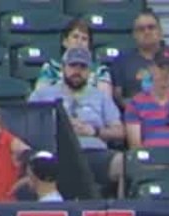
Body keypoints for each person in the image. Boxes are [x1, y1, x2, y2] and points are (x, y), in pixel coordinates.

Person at [30, 47, 125, 193]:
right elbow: (29, 125)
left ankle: (118, 212)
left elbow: (120, 131)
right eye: (73, 65)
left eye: (82, 67)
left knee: (124, 164)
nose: (77, 71)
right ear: (63, 68)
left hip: (93, 152)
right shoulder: (43, 94)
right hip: (56, 153)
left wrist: (95, 131)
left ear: (89, 71)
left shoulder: (100, 97)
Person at [110, 10, 169, 108]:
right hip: (133, 119)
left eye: (151, 27)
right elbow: (117, 98)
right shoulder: (121, 62)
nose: (147, 32)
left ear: (160, 31)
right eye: (141, 29)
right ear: (134, 34)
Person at [34, 17, 113, 99]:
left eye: (84, 39)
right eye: (75, 37)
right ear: (65, 41)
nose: (79, 42)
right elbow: (40, 100)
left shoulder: (100, 71)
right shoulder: (50, 68)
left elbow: (105, 101)